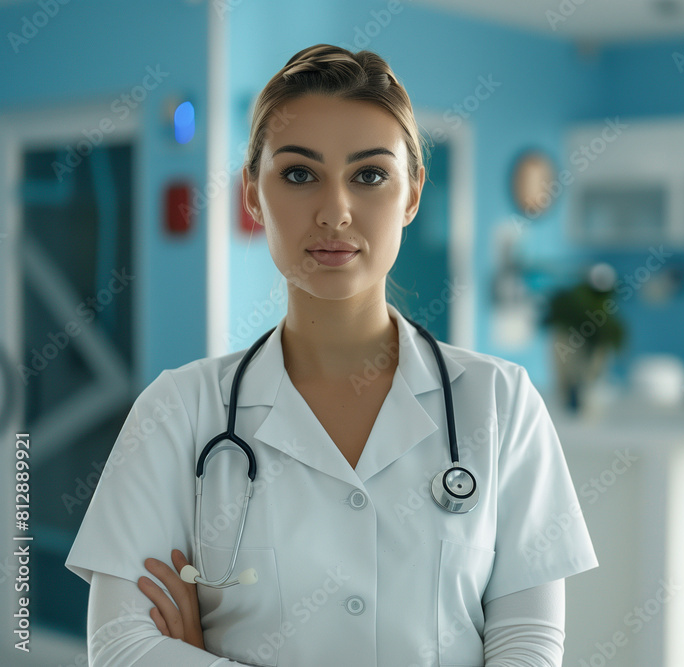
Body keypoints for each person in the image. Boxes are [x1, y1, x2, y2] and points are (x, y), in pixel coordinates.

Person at [64, 44, 598, 666]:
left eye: (370, 175)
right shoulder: (179, 411)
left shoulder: (501, 403)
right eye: (298, 174)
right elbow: (123, 647)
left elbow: (528, 645)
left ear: (413, 194)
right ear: (253, 195)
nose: (335, 211)